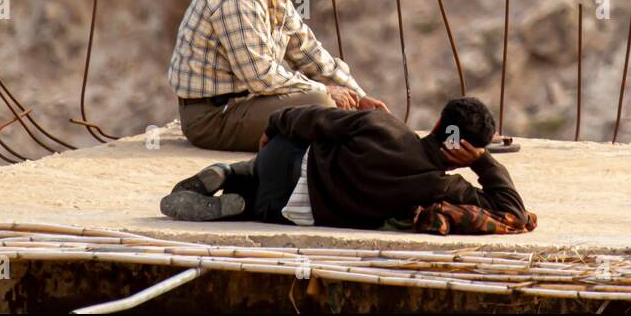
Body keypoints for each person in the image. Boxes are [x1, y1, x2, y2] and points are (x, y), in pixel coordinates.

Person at [167, 0, 387, 152]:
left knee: (328, 104)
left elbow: (308, 52)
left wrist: (358, 96)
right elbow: (261, 76)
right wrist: (327, 91)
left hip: (245, 103)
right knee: (321, 105)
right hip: (212, 118)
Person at [160, 97, 529, 232]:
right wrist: (483, 162)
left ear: (436, 124)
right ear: (465, 150)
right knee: (273, 206)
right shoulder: (443, 187)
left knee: (271, 164)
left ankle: (234, 172)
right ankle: (240, 209)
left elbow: (312, 117)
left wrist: (273, 127)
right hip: (294, 209)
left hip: (283, 159)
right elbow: (511, 210)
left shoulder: (383, 124)